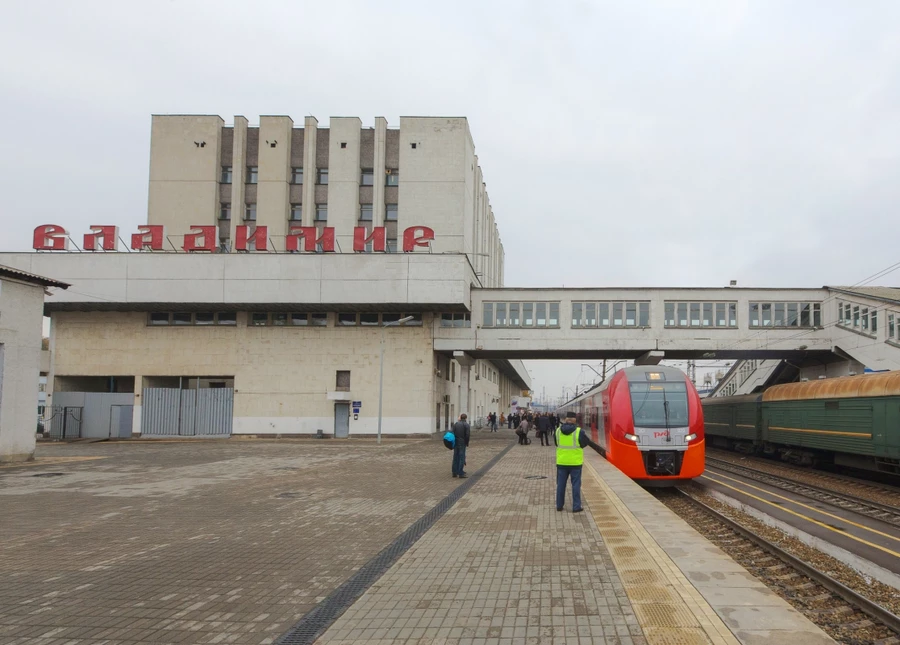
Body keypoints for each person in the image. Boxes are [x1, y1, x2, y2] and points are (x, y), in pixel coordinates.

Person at [555, 411, 602, 512]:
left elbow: (556, 443)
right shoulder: (579, 431)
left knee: (560, 484)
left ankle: (559, 505)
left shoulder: (558, 430)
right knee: (576, 485)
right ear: (575, 420)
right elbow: (585, 443)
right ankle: (576, 507)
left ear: (566, 419)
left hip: (561, 462)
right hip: (575, 463)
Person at [452, 413, 470, 478]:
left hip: (456, 442)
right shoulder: (466, 425)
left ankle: (454, 472)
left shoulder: (456, 424)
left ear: (460, 417)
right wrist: (467, 442)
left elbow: (452, 432)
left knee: (455, 457)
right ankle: (460, 473)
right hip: (462, 442)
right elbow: (467, 435)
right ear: (466, 418)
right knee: (461, 457)